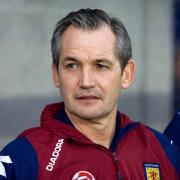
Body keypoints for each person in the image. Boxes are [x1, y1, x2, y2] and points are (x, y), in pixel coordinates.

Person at [0, 8, 179, 180]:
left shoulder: (162, 150)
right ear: (56, 74)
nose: (86, 82)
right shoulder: (22, 159)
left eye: (101, 66)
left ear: (126, 74)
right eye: (72, 66)